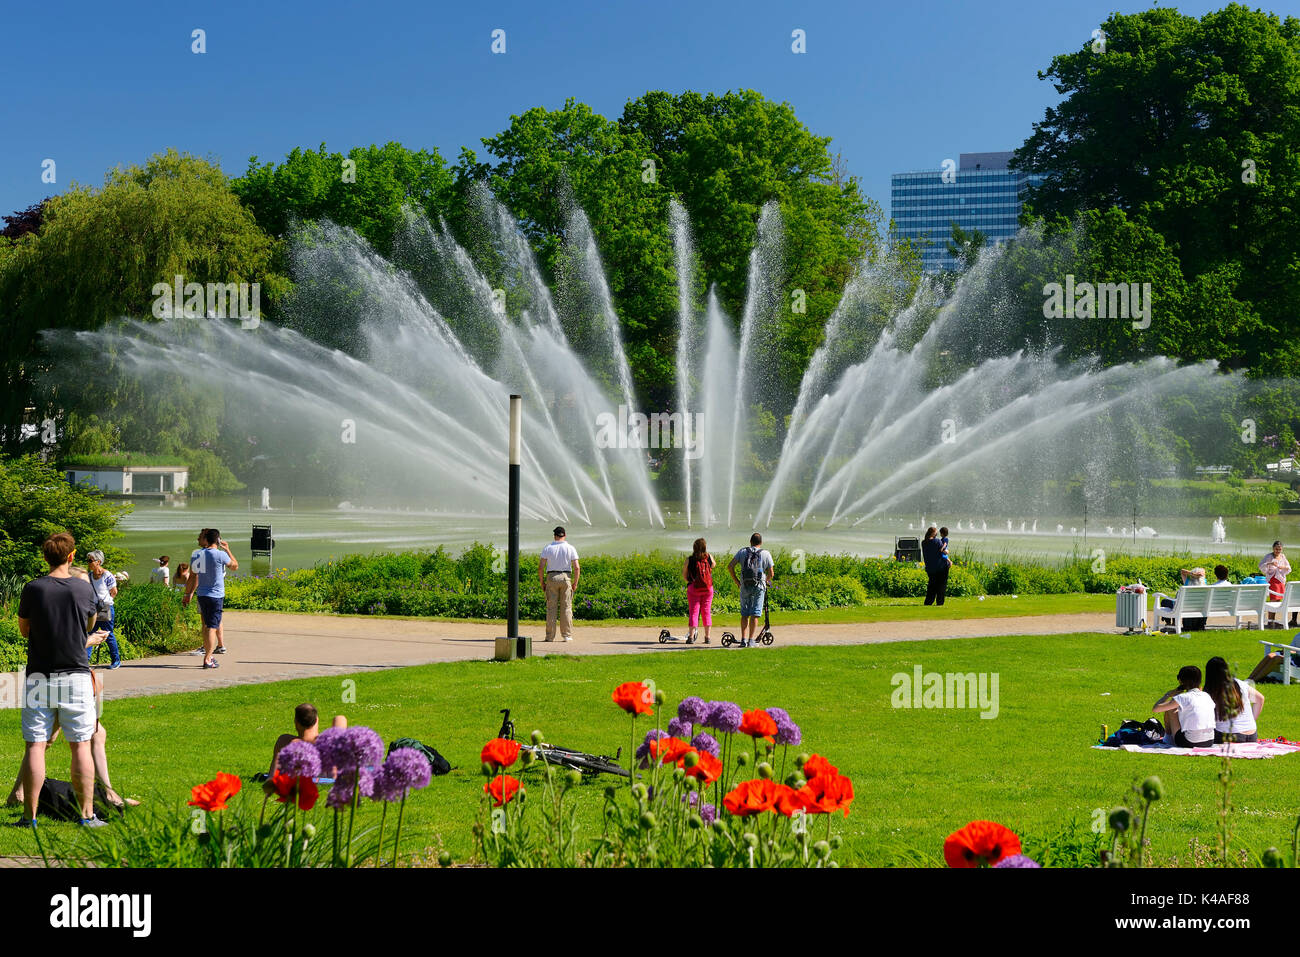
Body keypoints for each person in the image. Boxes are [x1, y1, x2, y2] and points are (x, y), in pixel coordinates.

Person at [14, 532, 109, 828]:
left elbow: (24, 629)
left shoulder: (33, 588)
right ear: (72, 556)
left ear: (45, 557)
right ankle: (86, 815)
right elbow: (89, 624)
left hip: (39, 675)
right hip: (75, 675)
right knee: (80, 745)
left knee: (35, 746)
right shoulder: (83, 589)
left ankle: (29, 817)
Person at [182, 528, 238, 667]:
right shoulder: (220, 555)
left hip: (202, 595)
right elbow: (234, 566)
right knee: (212, 627)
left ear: (207, 539)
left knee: (207, 626)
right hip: (216, 596)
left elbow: (193, 576)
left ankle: (208, 654)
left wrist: (187, 594)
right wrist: (227, 549)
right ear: (218, 540)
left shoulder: (197, 554)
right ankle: (208, 659)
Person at [269, 702, 348, 777]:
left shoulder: (285, 742)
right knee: (340, 718)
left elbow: (274, 774)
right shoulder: (329, 742)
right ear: (316, 720)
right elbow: (340, 719)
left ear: (296, 723)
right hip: (329, 774)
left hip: (307, 773)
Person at [1151, 665, 1216, 748]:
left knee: (1171, 709)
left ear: (1181, 682)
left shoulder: (1183, 697)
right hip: (1209, 741)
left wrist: (1167, 695)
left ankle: (1167, 739)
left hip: (1190, 742)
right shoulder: (1206, 695)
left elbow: (1155, 709)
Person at [1203, 656, 1264, 744]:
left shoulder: (1211, 689)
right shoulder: (1240, 684)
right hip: (1252, 735)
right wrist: (1251, 721)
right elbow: (1260, 699)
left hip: (1229, 736)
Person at [727, 532, 774, 645]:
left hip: (744, 585)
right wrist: (765, 581)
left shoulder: (742, 552)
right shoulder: (766, 553)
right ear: (761, 542)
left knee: (744, 614)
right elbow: (771, 573)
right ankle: (751, 640)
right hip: (759, 587)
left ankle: (743, 640)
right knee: (755, 614)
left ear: (750, 541)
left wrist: (737, 581)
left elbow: (730, 566)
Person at [539, 526, 580, 642]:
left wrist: (542, 582)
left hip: (551, 577)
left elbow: (541, 567)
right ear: (565, 535)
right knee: (566, 607)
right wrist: (575, 583)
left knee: (551, 608)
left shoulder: (548, 547)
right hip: (566, 577)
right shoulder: (570, 548)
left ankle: (549, 636)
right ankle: (567, 635)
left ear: (555, 536)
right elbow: (577, 567)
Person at [84, 550, 122, 670]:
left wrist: (106, 601)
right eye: (88, 560)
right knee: (90, 633)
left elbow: (114, 591)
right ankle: (85, 661)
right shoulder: (89, 576)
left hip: (106, 608)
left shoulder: (107, 575)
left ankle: (116, 660)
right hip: (93, 608)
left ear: (98, 562)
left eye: (91, 560)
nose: (88, 563)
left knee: (108, 634)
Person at [684, 538, 716, 644]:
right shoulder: (709, 557)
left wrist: (690, 580)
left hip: (694, 588)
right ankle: (707, 637)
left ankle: (691, 637)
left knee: (694, 612)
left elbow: (685, 575)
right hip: (708, 588)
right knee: (706, 612)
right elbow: (713, 565)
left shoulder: (689, 560)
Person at [1261, 541, 1294, 628]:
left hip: (1280, 580)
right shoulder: (1269, 556)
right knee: (1273, 600)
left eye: (1279, 549)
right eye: (1276, 549)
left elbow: (1289, 568)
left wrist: (1282, 567)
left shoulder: (1283, 556)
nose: (1278, 551)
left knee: (1278, 600)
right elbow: (1261, 566)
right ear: (1273, 548)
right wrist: (1270, 563)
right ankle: (1270, 621)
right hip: (1272, 580)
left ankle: (1273, 620)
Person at [921, 526, 949, 606]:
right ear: (933, 533)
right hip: (941, 566)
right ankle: (939, 602)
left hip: (930, 567)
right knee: (941, 585)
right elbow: (943, 552)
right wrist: (947, 553)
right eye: (936, 532)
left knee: (932, 585)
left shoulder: (924, 542)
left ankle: (928, 601)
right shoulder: (937, 541)